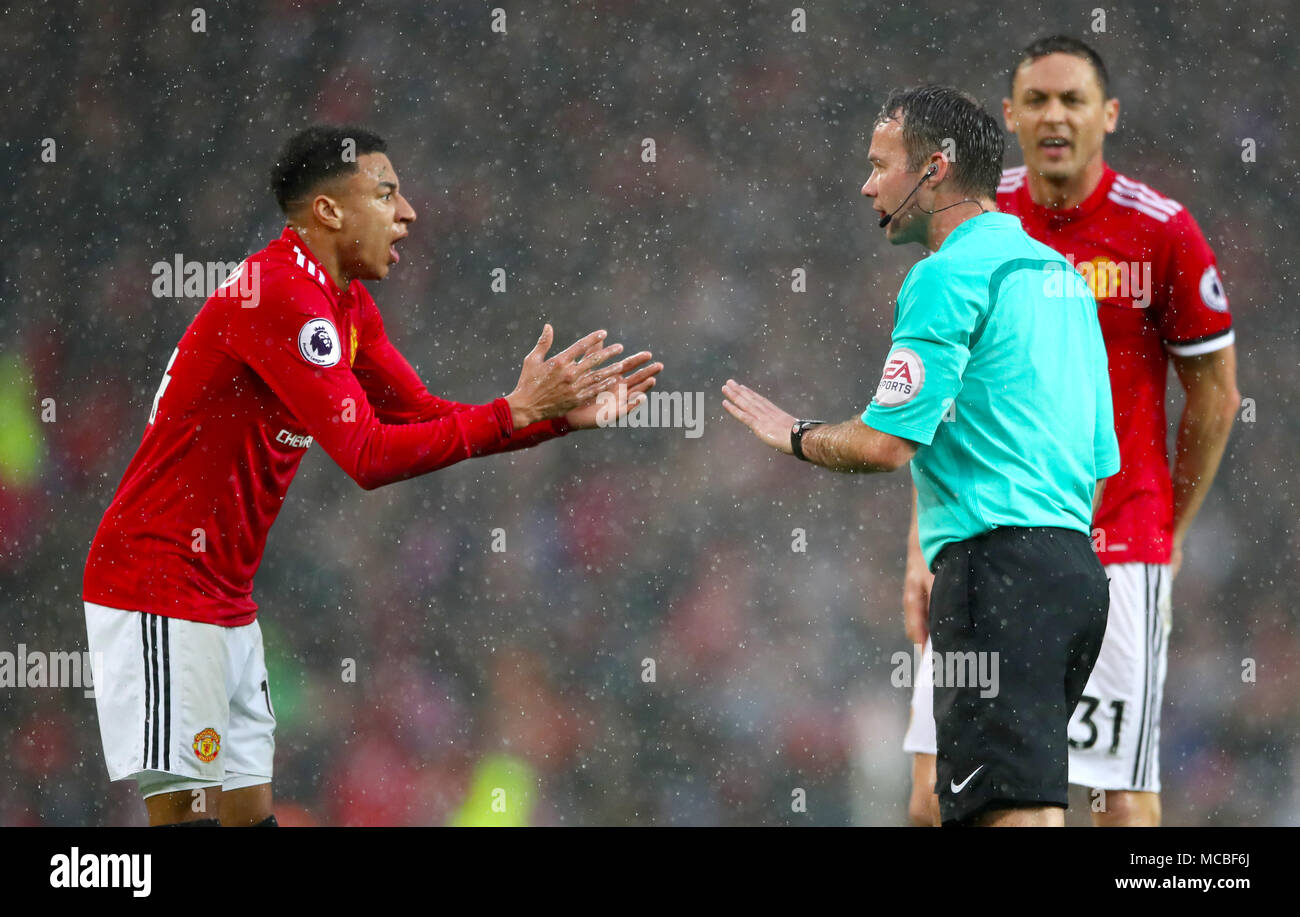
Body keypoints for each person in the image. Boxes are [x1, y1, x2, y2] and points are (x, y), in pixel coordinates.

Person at [82, 125, 663, 826]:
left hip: (222, 592)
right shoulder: (280, 294)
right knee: (188, 819)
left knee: (246, 814)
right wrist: (512, 411)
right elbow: (367, 455)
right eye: (387, 192)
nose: (409, 211)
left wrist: (554, 420)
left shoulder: (344, 304)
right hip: (156, 578)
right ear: (328, 211)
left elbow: (422, 415)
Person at [723, 85, 1118, 826]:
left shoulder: (944, 277)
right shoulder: (1064, 280)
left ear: (935, 168)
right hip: (1075, 577)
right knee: (980, 803)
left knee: (1010, 814)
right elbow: (1097, 460)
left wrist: (794, 434)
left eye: (880, 165)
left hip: (996, 575)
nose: (866, 183)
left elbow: (885, 443)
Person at [903, 36, 1240, 828]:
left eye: (1074, 100)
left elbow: (1217, 399)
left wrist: (1168, 525)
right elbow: (933, 401)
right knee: (929, 799)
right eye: (1038, 100)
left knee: (1118, 804)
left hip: (1116, 546)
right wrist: (917, 547)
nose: (1055, 115)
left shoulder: (1162, 233)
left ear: (1108, 115)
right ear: (1011, 116)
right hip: (983, 540)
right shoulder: (977, 222)